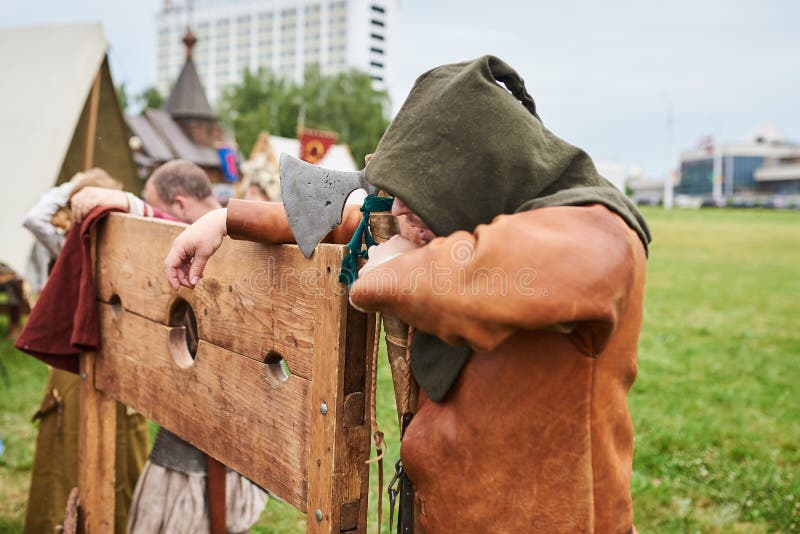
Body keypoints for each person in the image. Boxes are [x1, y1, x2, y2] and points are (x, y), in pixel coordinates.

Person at [163, 56, 651, 533]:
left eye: (416, 193)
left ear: (467, 179)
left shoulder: (600, 235)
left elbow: (465, 271)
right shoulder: (456, 223)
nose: (397, 208)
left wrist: (388, 269)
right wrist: (226, 218)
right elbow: (362, 224)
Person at [70, 159, 269, 534]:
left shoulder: (245, 231)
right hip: (186, 390)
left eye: (156, 209)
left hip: (236, 401)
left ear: (178, 204)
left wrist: (132, 206)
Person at [20, 168, 149, 534]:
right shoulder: (69, 247)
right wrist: (74, 188)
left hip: (117, 360)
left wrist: (117, 199)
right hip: (73, 362)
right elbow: (34, 218)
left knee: (119, 446)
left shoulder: (123, 245)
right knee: (69, 444)